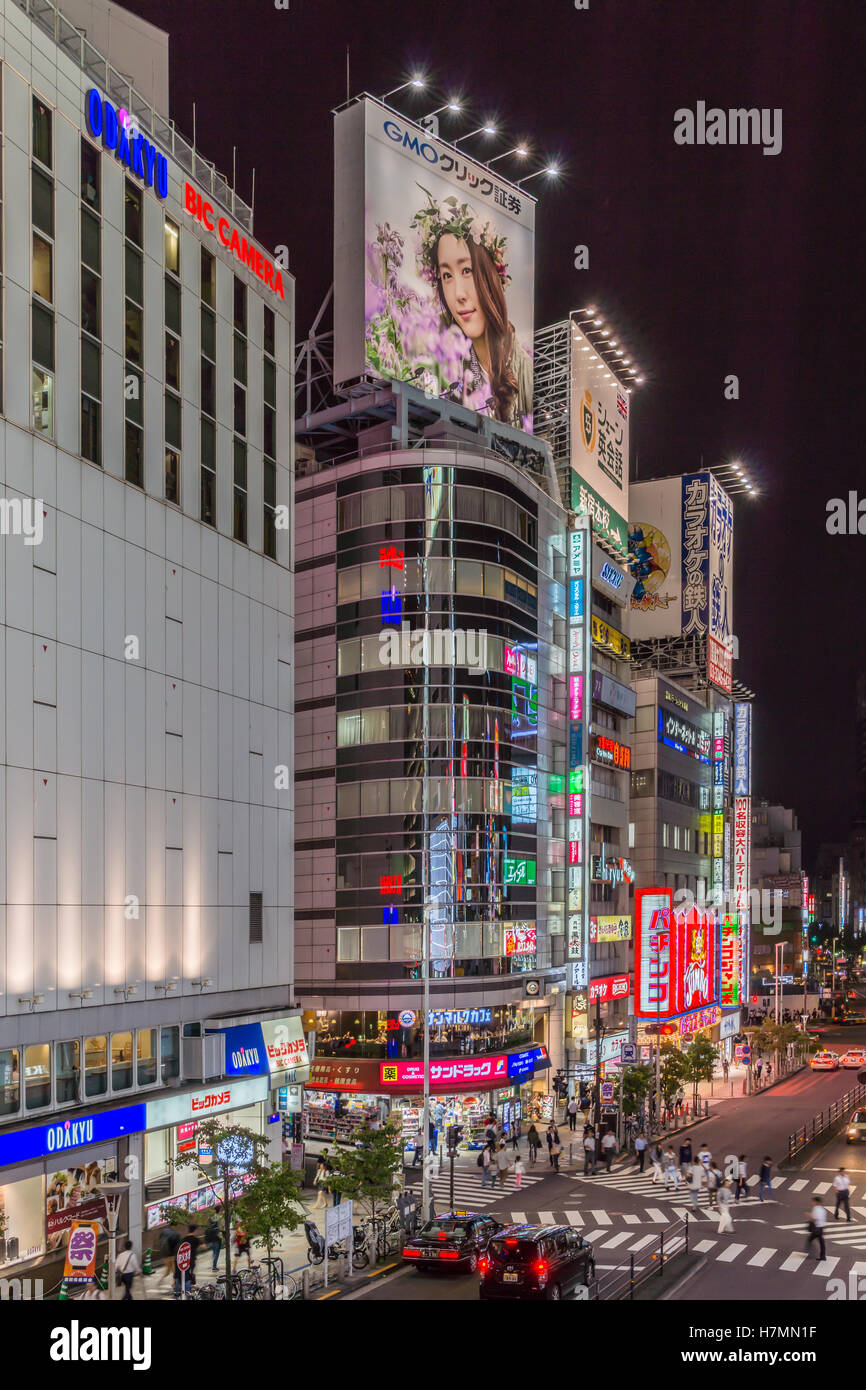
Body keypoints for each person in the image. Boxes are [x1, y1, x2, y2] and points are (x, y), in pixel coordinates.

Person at [415, 189, 534, 430]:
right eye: (447, 275)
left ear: (491, 276)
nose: (458, 294)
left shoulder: (522, 365)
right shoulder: (435, 351)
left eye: (467, 271)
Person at [174, 1225, 199, 1299]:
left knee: (177, 1292)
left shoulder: (179, 1256)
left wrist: (174, 1280)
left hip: (179, 1276)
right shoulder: (195, 1240)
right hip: (189, 1265)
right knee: (187, 1282)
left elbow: (176, 1271)